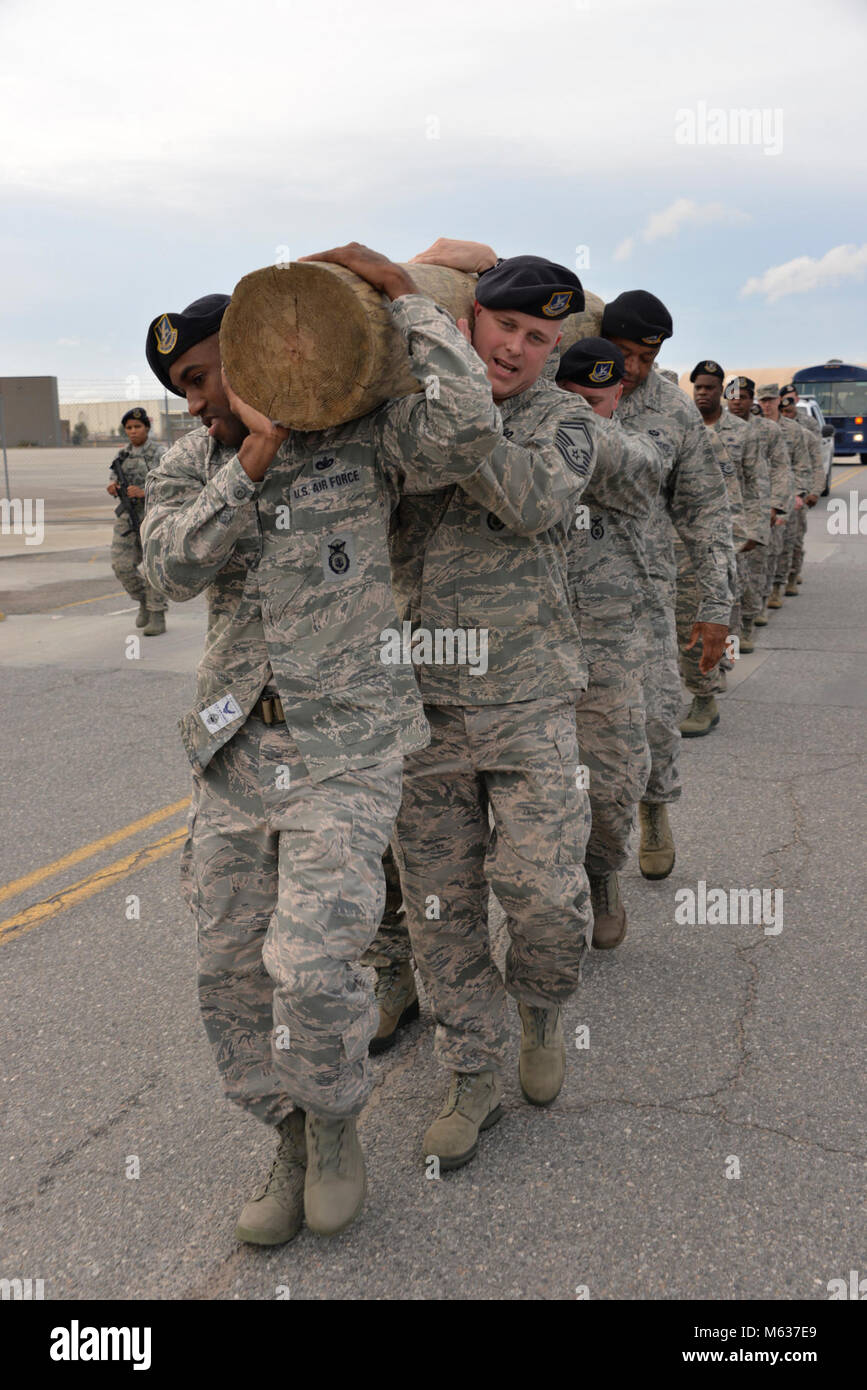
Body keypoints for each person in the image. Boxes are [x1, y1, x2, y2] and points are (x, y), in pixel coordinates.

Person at [141, 243, 503, 1245]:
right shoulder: (195, 462)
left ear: (258, 354)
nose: (198, 402)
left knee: (311, 964)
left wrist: (402, 299)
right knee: (226, 968)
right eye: (181, 389)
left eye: (207, 377)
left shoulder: (363, 441)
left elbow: (468, 427)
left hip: (347, 749)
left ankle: (337, 1121)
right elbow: (170, 567)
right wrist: (245, 463)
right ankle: (287, 1128)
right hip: (234, 756)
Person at [601, 292, 734, 878]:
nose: (631, 369)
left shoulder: (673, 412)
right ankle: (593, 866)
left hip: (642, 599)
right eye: (622, 353)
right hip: (552, 602)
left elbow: (706, 512)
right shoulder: (562, 389)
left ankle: (654, 808)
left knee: (654, 717)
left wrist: (715, 605)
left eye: (645, 358)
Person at [555, 337, 662, 946]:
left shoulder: (634, 451)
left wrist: (568, 421)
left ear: (619, 395)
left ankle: (602, 873)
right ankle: (547, 909)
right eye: (570, 397)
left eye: (596, 400)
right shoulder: (528, 437)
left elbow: (634, 471)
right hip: (532, 648)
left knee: (614, 784)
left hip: (609, 647)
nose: (583, 409)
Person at [679, 361, 767, 731]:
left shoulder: (743, 433)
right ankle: (709, 674)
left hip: (731, 533)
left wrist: (756, 530)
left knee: (724, 606)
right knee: (684, 611)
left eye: (711, 388)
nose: (703, 393)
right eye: (698, 387)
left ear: (722, 391)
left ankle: (711, 683)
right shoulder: (681, 426)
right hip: (681, 533)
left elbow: (757, 481)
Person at [723, 376, 790, 634]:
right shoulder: (711, 427)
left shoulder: (767, 431)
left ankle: (748, 625)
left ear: (752, 400)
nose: (737, 402)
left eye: (742, 396)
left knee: (753, 572)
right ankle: (728, 634)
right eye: (732, 396)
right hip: (722, 514)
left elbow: (781, 469)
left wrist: (775, 506)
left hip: (756, 511)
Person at [106, 408, 167, 635]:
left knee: (153, 566)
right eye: (129, 428)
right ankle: (143, 601)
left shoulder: (161, 454)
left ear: (147, 428)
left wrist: (144, 492)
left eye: (137, 427)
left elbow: (173, 485)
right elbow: (113, 479)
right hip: (127, 517)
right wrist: (114, 488)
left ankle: (157, 613)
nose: (133, 431)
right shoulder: (121, 456)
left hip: (154, 515)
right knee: (121, 565)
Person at [756, 384, 811, 612]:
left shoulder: (793, 430)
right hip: (756, 498)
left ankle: (776, 587)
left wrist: (799, 494)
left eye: (770, 400)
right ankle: (758, 596)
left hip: (783, 497)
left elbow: (802, 465)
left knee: (781, 546)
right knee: (758, 551)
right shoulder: (752, 428)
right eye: (763, 400)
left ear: (779, 400)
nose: (767, 404)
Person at [780, 392, 823, 592]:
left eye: (789, 412)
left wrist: (814, 491)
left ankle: (791, 576)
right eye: (783, 412)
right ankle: (774, 583)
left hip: (798, 496)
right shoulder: (769, 433)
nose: (786, 416)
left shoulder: (805, 435)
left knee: (795, 541)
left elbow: (816, 466)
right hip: (775, 497)